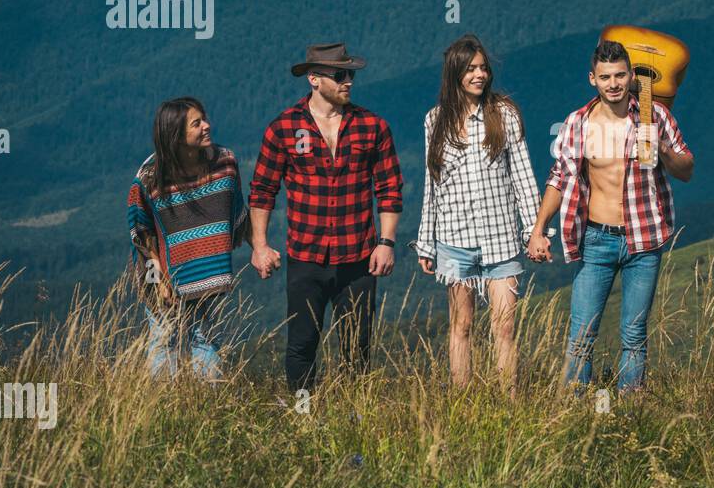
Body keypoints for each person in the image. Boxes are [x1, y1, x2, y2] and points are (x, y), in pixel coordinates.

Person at [528, 39, 694, 393]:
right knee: (582, 333)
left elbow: (686, 169)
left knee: (634, 334)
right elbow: (560, 177)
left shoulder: (655, 116)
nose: (614, 84)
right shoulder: (578, 124)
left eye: (620, 75)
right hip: (596, 239)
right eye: (606, 77)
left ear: (632, 76)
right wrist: (539, 228)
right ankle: (575, 411)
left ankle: (630, 413)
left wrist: (662, 148)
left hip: (643, 239)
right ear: (593, 79)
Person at [249, 43, 404, 393]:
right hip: (306, 257)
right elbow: (262, 190)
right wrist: (259, 245)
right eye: (340, 74)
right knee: (302, 345)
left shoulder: (372, 127)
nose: (348, 81)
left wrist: (386, 242)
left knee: (357, 348)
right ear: (314, 79)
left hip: (359, 257)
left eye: (350, 73)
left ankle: (355, 417)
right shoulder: (284, 128)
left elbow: (390, 188)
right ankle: (303, 416)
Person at [412, 35, 541, 396]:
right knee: (461, 326)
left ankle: (510, 403)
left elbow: (523, 176)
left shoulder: (505, 114)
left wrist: (534, 231)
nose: (480, 75)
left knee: (504, 327)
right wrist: (426, 243)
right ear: (455, 73)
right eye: (471, 69)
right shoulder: (434, 121)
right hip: (454, 240)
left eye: (483, 68)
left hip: (501, 238)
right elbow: (432, 184)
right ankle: (463, 402)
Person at [127, 97, 250, 380]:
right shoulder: (149, 177)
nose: (207, 126)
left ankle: (205, 411)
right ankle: (161, 411)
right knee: (165, 340)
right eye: (197, 123)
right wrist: (158, 281)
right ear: (176, 136)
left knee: (206, 339)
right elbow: (141, 233)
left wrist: (261, 249)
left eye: (204, 118)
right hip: (161, 275)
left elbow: (237, 213)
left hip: (208, 275)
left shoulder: (225, 163)